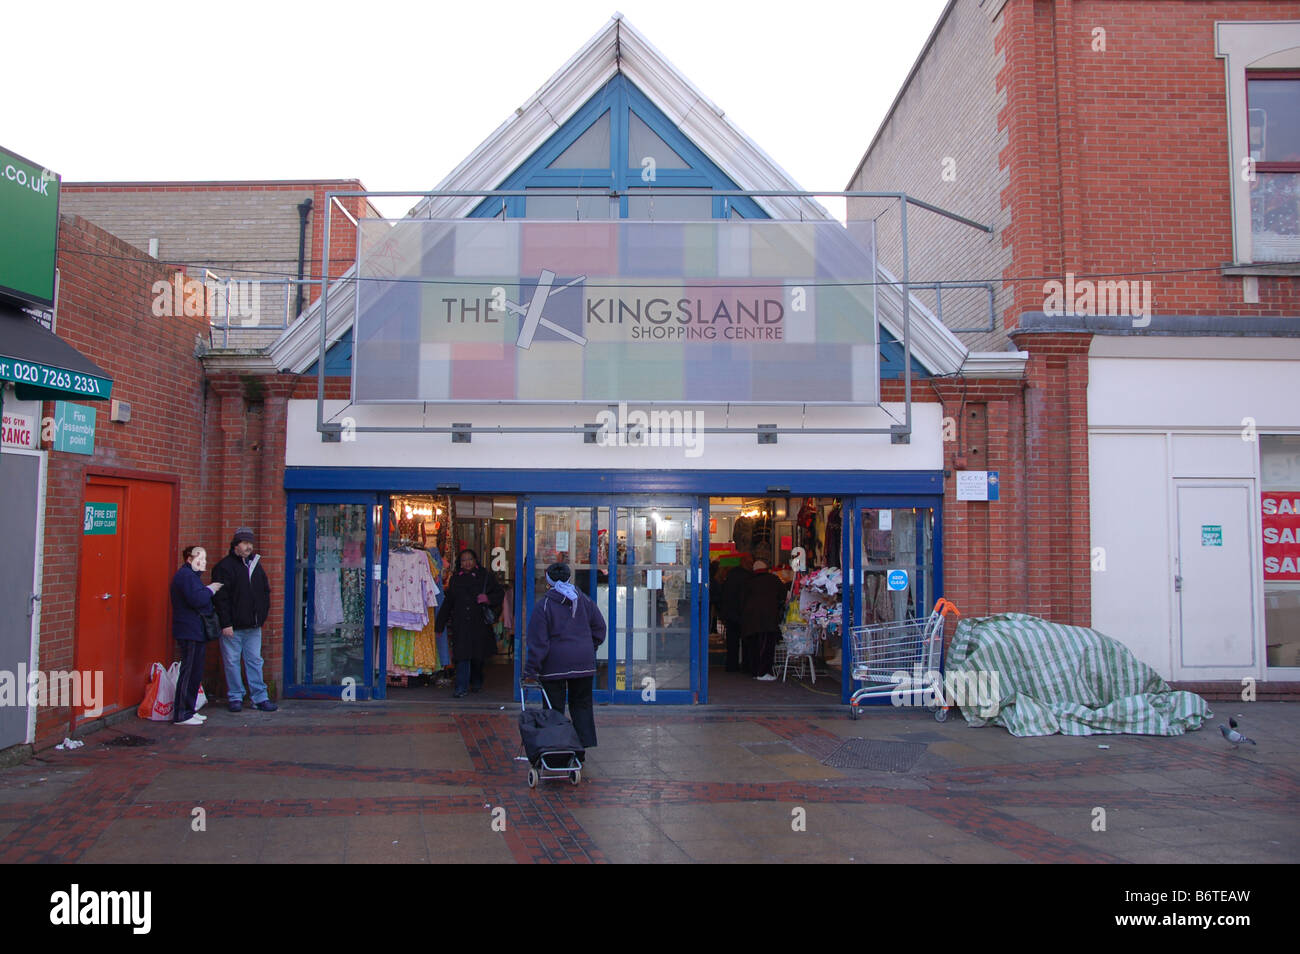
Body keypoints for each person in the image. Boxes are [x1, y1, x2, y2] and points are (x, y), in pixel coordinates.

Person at [523, 563, 606, 749]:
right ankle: (583, 746)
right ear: (569, 577)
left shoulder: (543, 605)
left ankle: (556, 746)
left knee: (554, 709)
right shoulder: (583, 600)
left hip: (554, 665)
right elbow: (600, 627)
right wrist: (589, 646)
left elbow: (538, 643)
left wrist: (531, 670)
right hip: (583, 662)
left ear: (548, 579)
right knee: (582, 705)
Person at [212, 527, 277, 713]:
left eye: (250, 543)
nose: (248, 546)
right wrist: (226, 623)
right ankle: (235, 696)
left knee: (255, 661)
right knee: (232, 661)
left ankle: (260, 697)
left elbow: (265, 592)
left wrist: (261, 616)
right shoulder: (224, 567)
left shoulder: (256, 565)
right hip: (232, 626)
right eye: (244, 543)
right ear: (235, 545)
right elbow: (220, 598)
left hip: (253, 625)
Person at [434, 549, 504, 698]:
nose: (467, 563)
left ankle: (477, 682)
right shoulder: (455, 579)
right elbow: (448, 603)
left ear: (475, 560)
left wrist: (487, 598)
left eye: (470, 559)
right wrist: (439, 624)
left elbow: (499, 593)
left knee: (478, 657)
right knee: (462, 656)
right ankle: (461, 687)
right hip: (461, 624)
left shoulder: (485, 576)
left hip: (479, 624)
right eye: (464, 560)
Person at [170, 546, 222, 725]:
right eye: (199, 558)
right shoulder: (186, 577)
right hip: (190, 630)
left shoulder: (189, 577)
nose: (203, 563)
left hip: (194, 630)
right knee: (189, 671)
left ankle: (189, 710)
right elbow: (197, 600)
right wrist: (211, 590)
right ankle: (182, 714)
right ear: (189, 559)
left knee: (194, 671)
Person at [742, 556, 787, 681]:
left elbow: (743, 600)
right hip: (768, 620)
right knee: (766, 647)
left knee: (754, 646)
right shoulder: (773, 580)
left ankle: (756, 671)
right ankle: (763, 672)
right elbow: (783, 595)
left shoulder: (748, 582)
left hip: (750, 620)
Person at [718, 553, 754, 673]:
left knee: (732, 642)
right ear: (744, 563)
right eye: (749, 563)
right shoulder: (748, 577)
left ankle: (732, 665)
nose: (751, 565)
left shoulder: (731, 575)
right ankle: (746, 665)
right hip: (743, 613)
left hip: (731, 613)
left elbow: (724, 594)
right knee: (746, 642)